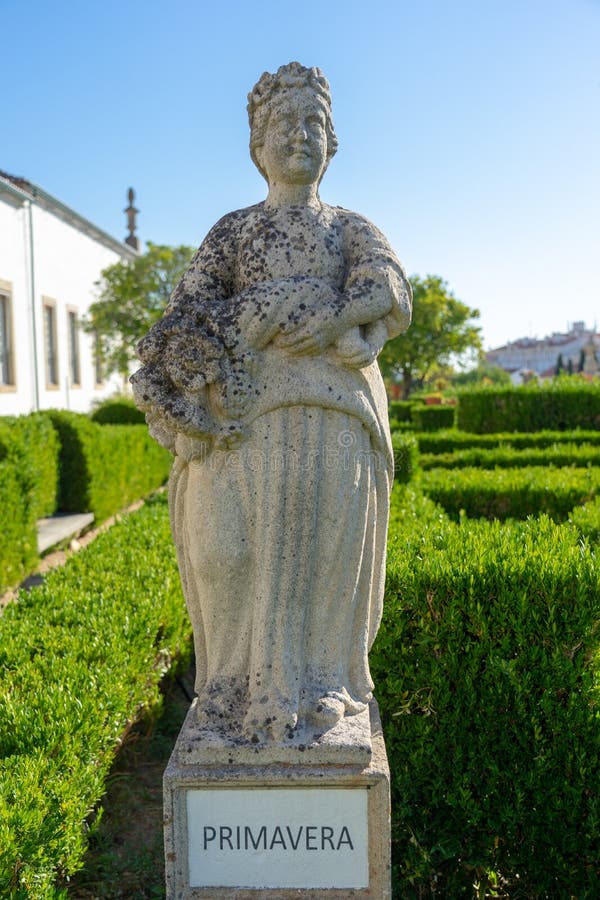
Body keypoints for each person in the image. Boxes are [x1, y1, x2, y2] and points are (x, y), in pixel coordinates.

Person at [132, 62, 411, 742]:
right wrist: (264, 311)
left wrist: (339, 314)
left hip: (332, 421)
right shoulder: (234, 232)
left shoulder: (349, 228)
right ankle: (231, 685)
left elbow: (390, 288)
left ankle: (321, 682)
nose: (299, 135)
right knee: (226, 557)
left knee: (326, 560)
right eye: (284, 124)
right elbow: (183, 322)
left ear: (332, 141)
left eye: (314, 123)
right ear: (257, 145)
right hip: (244, 429)